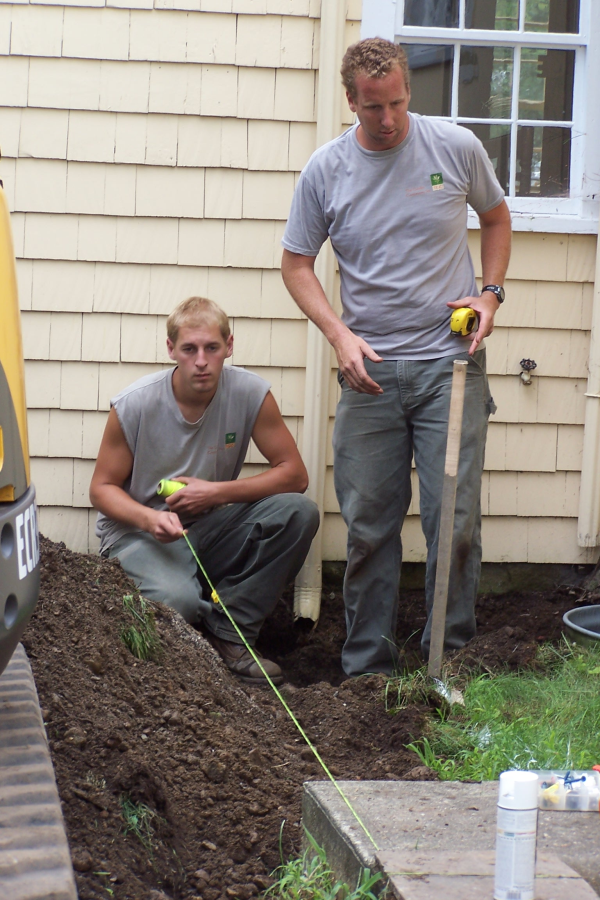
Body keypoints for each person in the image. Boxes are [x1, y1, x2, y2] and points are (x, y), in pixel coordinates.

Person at [281, 38, 511, 677]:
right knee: (369, 528)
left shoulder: (455, 148)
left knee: (454, 522)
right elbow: (297, 264)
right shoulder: (325, 171)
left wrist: (489, 294)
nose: (388, 120)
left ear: (410, 92)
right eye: (373, 108)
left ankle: (450, 662)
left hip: (450, 365)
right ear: (350, 99)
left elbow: (495, 217)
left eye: (398, 103)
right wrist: (338, 335)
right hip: (370, 374)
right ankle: (367, 669)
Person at [90, 296, 319, 686]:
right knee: (177, 603)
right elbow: (101, 488)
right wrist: (150, 517)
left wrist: (216, 493)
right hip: (142, 535)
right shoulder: (135, 404)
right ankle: (189, 623)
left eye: (212, 348)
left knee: (299, 512)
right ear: (171, 349)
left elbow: (294, 475)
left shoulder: (250, 394)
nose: (201, 361)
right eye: (189, 349)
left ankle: (230, 633)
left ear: (229, 346)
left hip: (211, 527)